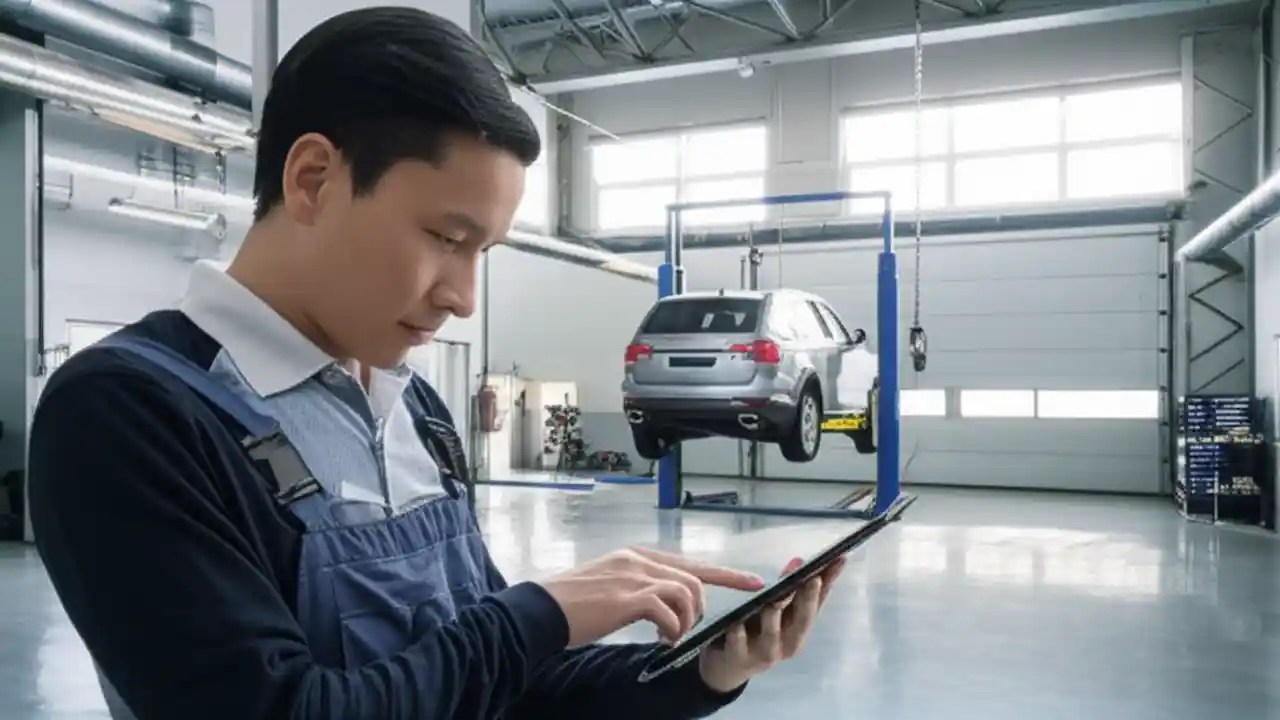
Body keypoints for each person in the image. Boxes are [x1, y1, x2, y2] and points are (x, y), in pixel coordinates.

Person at [27, 7, 846, 719]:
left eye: (484, 251)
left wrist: (699, 672)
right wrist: (538, 615)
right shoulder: (128, 413)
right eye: (447, 240)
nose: (464, 297)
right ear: (313, 180)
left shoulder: (415, 411)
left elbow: (503, 686)